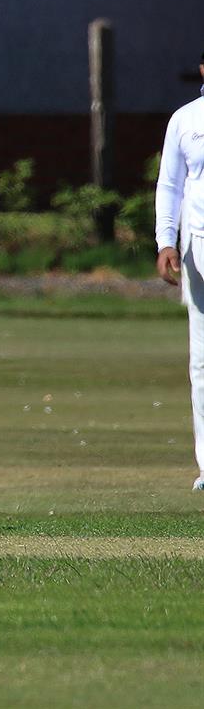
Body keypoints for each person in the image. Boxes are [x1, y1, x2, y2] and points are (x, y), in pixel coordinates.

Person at [156, 50, 204, 491]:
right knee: (202, 362)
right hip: (199, 253)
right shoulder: (186, 120)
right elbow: (170, 184)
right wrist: (166, 241)